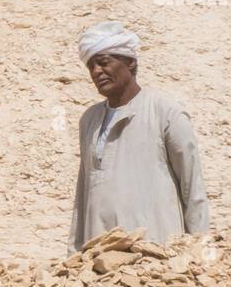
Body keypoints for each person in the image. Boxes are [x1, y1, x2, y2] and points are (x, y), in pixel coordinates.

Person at [70, 21, 210, 251]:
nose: (96, 72)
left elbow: (192, 188)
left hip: (154, 257)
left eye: (103, 63)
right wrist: (74, 256)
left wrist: (198, 253)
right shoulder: (89, 120)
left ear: (130, 62)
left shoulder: (165, 112)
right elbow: (83, 195)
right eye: (91, 66)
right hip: (99, 261)